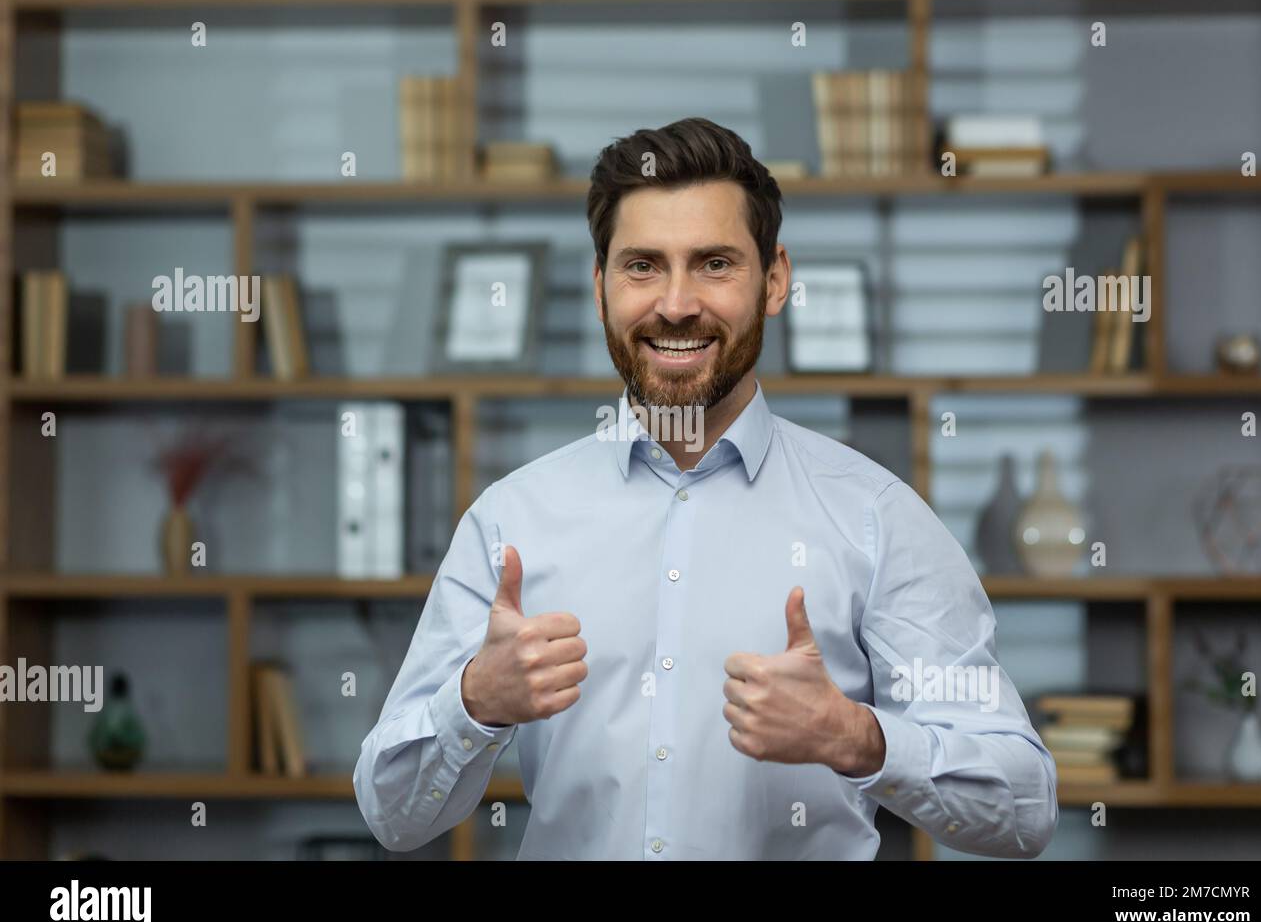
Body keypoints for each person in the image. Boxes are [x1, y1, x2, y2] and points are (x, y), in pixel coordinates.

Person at [353, 117, 1058, 859]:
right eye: (643, 266)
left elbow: (1025, 805)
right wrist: (474, 704)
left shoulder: (877, 518)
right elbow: (392, 816)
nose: (678, 303)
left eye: (714, 263)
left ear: (775, 280)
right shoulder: (510, 520)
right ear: (600, 289)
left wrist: (854, 736)